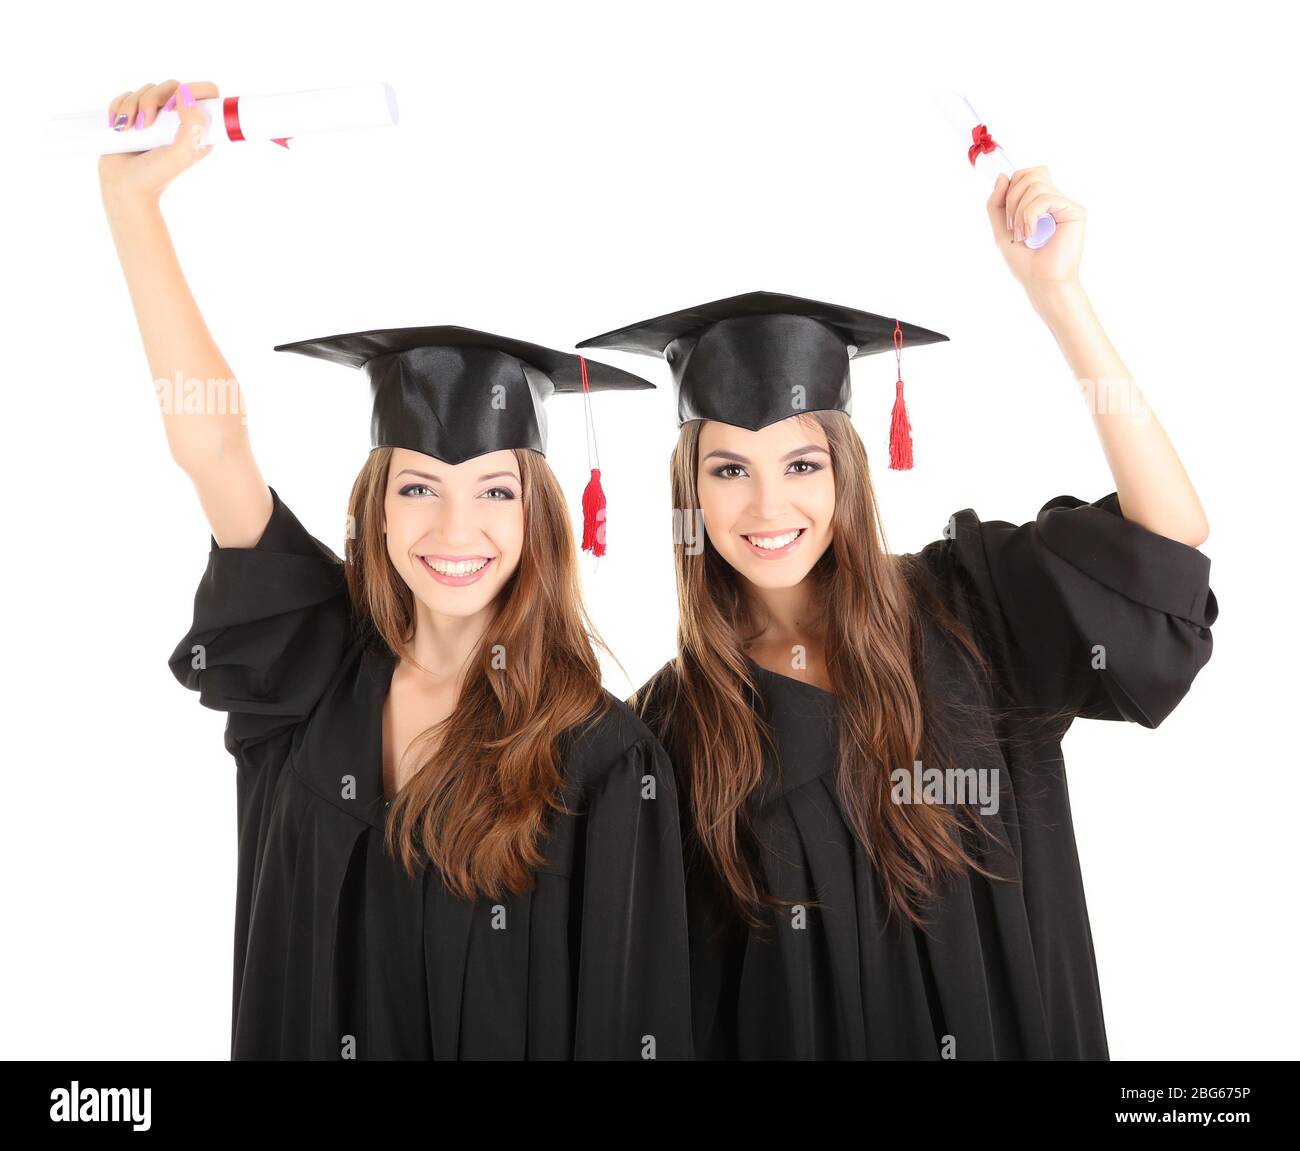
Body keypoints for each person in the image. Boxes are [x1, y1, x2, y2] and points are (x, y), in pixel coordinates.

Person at [100, 78, 692, 1060]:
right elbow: (214, 449)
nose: (454, 523)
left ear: (539, 514)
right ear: (376, 508)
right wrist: (134, 202)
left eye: (495, 490)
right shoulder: (308, 673)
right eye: (417, 486)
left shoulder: (600, 757)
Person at [575, 170, 1218, 1060]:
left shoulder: (971, 609)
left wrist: (1060, 297)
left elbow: (1168, 541)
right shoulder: (671, 729)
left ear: (845, 470)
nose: (769, 506)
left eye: (801, 465)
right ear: (689, 490)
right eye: (728, 470)